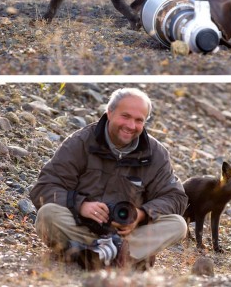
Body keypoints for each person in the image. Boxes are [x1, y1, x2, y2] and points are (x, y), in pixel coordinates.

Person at [30, 87, 188, 270]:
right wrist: (81, 205)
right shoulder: (81, 142)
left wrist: (141, 214)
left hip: (127, 235)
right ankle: (120, 256)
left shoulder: (156, 153)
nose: (131, 125)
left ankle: (94, 253)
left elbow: (176, 197)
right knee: (47, 214)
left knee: (178, 224)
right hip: (82, 227)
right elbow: (44, 186)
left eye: (139, 120)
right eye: (125, 116)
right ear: (110, 112)